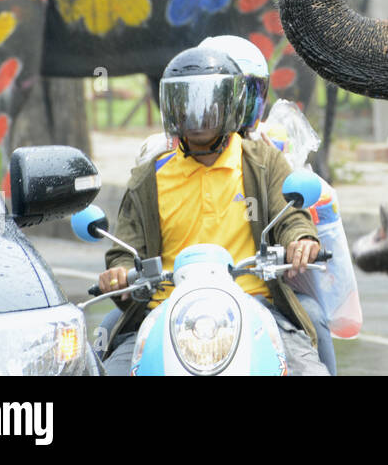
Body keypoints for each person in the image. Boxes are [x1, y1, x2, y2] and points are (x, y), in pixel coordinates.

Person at [96, 45, 329, 376]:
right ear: (171, 108)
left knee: (310, 371)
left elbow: (290, 215)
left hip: (255, 307)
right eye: (186, 102)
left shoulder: (262, 162)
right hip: (164, 312)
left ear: (230, 104)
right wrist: (118, 273)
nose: (197, 114)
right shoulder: (149, 178)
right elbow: (124, 252)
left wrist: (301, 239)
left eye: (208, 102)